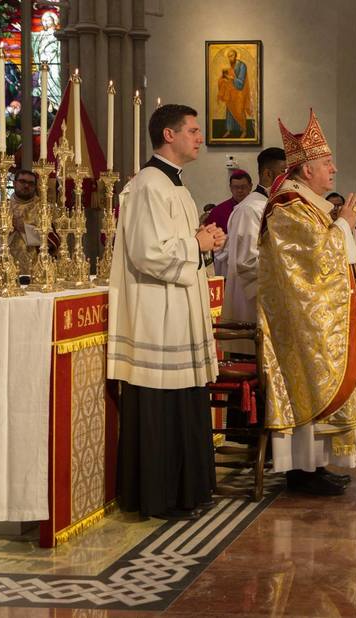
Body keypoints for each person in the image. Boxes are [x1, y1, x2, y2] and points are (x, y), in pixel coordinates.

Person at [107, 104, 226, 521]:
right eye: (193, 130)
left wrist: (202, 240)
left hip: (178, 311)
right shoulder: (147, 185)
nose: (200, 138)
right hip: (157, 316)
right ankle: (159, 496)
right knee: (161, 405)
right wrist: (198, 245)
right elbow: (147, 253)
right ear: (169, 136)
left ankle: (185, 490)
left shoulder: (176, 187)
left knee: (184, 403)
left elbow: (178, 245)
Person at [259, 109, 356, 495]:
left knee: (324, 388)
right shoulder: (288, 206)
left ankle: (315, 465)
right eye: (326, 163)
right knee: (308, 387)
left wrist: (342, 222)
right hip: (302, 325)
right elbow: (315, 260)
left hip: (322, 317)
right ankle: (301, 469)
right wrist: (344, 222)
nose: (333, 168)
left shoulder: (309, 203)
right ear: (306, 170)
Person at [221, 148, 287, 341]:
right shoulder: (250, 209)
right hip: (251, 307)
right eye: (284, 171)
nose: (288, 178)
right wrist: (285, 279)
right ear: (268, 174)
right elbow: (247, 262)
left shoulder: (269, 204)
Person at [0, 168, 60, 276]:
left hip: (38, 270)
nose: (26, 186)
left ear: (35, 186)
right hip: (4, 271)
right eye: (22, 181)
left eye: (31, 183)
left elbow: (55, 241)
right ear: (14, 183)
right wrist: (8, 228)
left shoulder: (46, 209)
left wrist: (25, 228)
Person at [204, 169, 252, 277]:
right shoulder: (218, 211)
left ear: (250, 186)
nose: (239, 190)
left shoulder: (258, 207)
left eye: (243, 187)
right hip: (225, 265)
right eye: (236, 187)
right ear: (230, 188)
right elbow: (209, 237)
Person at [217, 48, 252, 138]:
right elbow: (225, 79)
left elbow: (241, 81)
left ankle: (244, 130)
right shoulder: (230, 67)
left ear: (236, 56)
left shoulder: (242, 65)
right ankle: (229, 130)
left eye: (231, 56)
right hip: (231, 93)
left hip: (240, 93)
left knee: (239, 110)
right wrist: (223, 79)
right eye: (228, 56)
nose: (230, 58)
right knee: (229, 111)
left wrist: (232, 78)